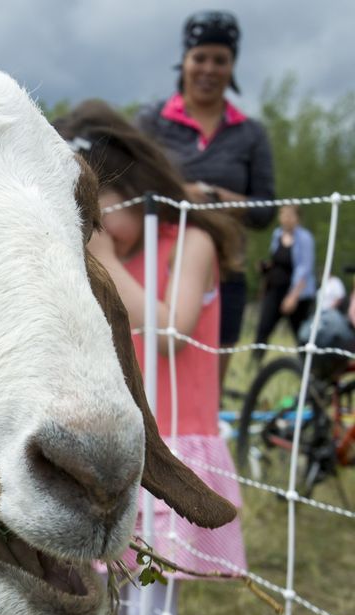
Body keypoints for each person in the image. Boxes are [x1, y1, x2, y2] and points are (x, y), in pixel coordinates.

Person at [55, 100, 246, 615]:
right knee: (97, 608)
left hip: (172, 454)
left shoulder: (189, 239)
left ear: (134, 185)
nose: (96, 229)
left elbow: (170, 333)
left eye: (100, 208)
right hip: (110, 452)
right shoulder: (100, 252)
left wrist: (105, 257)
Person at [135, 10, 275, 384]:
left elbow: (266, 210)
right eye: (200, 58)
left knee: (208, 388)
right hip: (157, 272)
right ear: (184, 61)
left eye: (220, 60)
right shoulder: (151, 122)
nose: (209, 69)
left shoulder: (251, 134)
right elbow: (128, 183)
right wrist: (183, 194)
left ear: (232, 67)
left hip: (226, 273)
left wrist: (220, 198)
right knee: (149, 382)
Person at [253, 204, 317, 360]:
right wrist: (266, 267)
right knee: (263, 327)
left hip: (297, 293)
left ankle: (307, 368)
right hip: (275, 290)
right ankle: (254, 364)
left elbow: (305, 268)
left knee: (300, 334)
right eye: (283, 215)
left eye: (289, 215)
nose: (285, 219)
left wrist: (293, 296)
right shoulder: (277, 235)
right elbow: (278, 261)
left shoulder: (305, 238)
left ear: (297, 218)